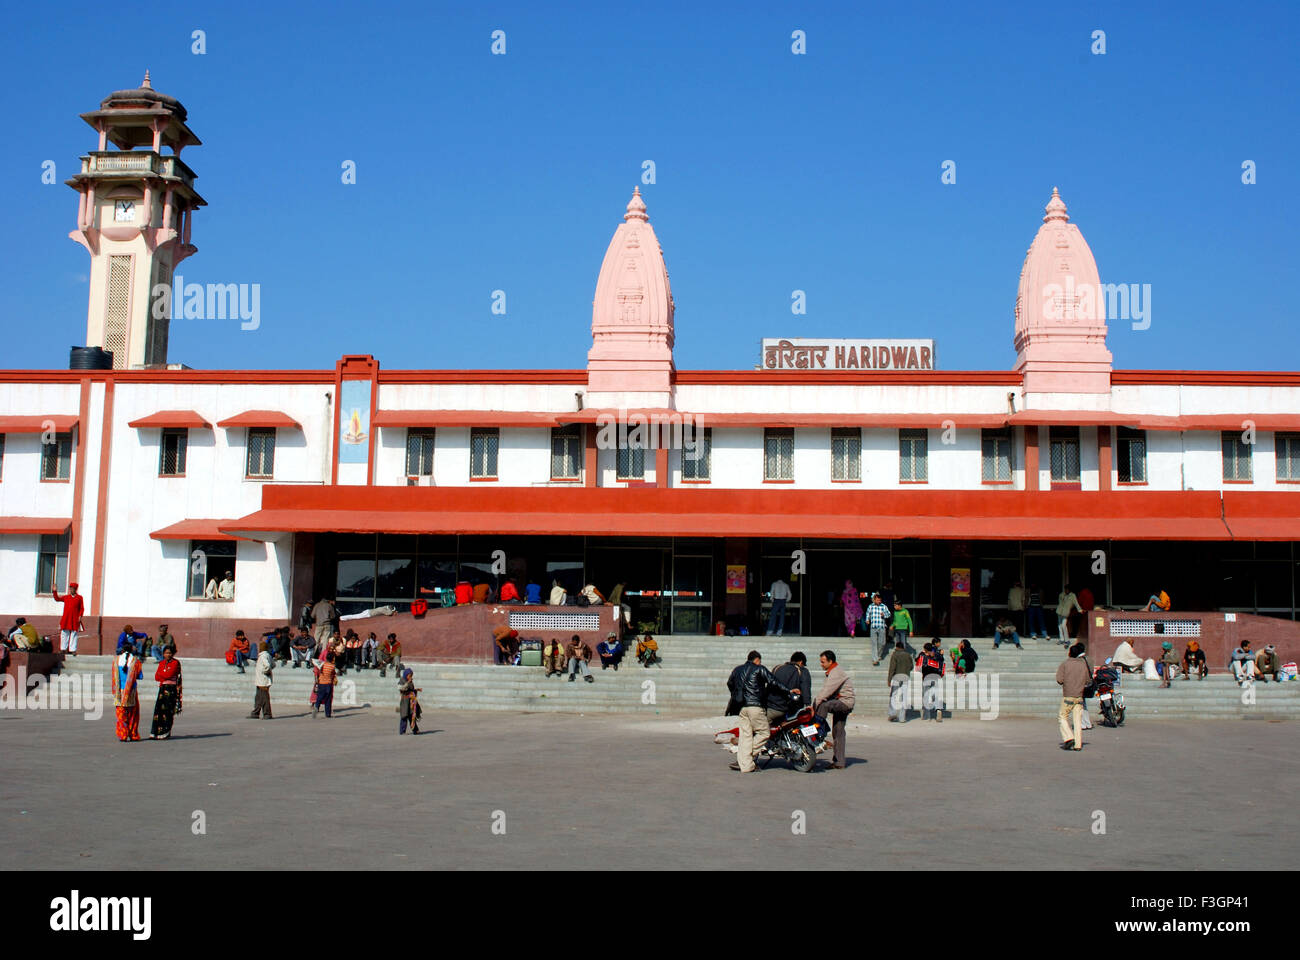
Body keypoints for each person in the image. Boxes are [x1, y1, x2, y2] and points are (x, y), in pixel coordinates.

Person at [726, 651, 797, 773]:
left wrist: (737, 694)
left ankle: (746, 766)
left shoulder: (737, 670)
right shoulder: (759, 669)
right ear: (757, 660)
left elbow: (730, 683)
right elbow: (774, 682)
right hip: (755, 706)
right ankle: (747, 755)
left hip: (742, 708)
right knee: (764, 732)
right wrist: (788, 692)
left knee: (745, 735)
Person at [812, 651, 854, 770]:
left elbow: (826, 691)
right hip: (842, 702)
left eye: (823, 662)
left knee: (823, 704)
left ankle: (817, 731)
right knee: (838, 732)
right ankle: (839, 762)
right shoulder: (834, 672)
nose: (821, 664)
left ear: (830, 662)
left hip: (844, 702)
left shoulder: (836, 673)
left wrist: (814, 707)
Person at [1056, 643, 1091, 751]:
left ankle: (1069, 737)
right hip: (1079, 696)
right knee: (1077, 721)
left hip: (1068, 696)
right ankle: (1078, 744)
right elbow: (1087, 680)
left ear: (1069, 653)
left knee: (1062, 717)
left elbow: (1059, 679)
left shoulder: (1065, 664)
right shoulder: (1083, 664)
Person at [111, 634, 144, 742]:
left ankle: (123, 735)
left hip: (119, 692)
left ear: (122, 650)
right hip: (131, 691)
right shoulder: (136, 661)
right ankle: (133, 734)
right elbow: (140, 676)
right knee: (133, 714)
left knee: (121, 714)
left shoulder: (115, 661)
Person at [148, 645, 182, 740]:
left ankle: (165, 732)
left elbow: (169, 674)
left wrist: (163, 675)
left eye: (170, 653)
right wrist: (164, 676)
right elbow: (156, 677)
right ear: (163, 654)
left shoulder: (176, 663)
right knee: (158, 710)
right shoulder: (162, 663)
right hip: (162, 689)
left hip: (171, 690)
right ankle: (155, 733)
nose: (168, 655)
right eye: (166, 653)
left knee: (167, 711)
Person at [771, 652, 813, 722]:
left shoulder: (777, 668)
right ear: (800, 662)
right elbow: (805, 688)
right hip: (791, 708)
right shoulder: (802, 670)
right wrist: (808, 704)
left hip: (772, 707)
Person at [52, 581, 85, 656]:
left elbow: (82, 608)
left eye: (72, 588)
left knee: (74, 634)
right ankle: (63, 649)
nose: (71, 590)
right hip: (66, 618)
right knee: (64, 633)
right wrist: (54, 591)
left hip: (74, 619)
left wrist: (80, 616)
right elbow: (57, 599)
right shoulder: (66, 597)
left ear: (75, 589)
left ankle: (72, 650)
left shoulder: (79, 598)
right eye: (70, 588)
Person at [918, 641, 945, 721]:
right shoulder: (938, 654)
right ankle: (939, 710)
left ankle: (926, 715)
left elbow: (919, 667)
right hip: (937, 677)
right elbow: (942, 661)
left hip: (927, 677)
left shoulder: (923, 655)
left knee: (926, 695)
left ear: (925, 649)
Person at [886, 639, 912, 723]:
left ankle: (892, 714)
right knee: (904, 697)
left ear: (897, 647)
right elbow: (911, 666)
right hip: (905, 677)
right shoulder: (908, 655)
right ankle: (902, 718)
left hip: (896, 677)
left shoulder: (895, 655)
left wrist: (889, 679)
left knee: (893, 695)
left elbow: (892, 668)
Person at [864, 592, 890, 666]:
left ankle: (878, 655)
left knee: (882, 643)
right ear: (874, 600)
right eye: (878, 600)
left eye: (880, 600)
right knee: (874, 643)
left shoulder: (883, 606)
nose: (879, 601)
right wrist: (867, 620)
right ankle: (875, 659)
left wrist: (884, 614)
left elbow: (889, 614)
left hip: (882, 626)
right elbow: (867, 614)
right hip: (873, 627)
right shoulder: (870, 606)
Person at [249, 644, 274, 719]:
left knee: (264, 698)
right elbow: (273, 664)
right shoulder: (268, 655)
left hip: (263, 680)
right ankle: (255, 713)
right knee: (258, 697)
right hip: (261, 680)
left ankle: (267, 714)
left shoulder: (263, 656)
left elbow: (268, 665)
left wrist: (265, 671)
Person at [314, 652, 338, 718]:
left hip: (321, 684)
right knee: (328, 700)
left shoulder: (322, 664)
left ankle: (316, 710)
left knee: (319, 698)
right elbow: (333, 674)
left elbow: (316, 668)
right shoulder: (332, 666)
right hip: (328, 685)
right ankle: (328, 714)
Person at [398, 668, 422, 734]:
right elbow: (401, 688)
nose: (411, 677)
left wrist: (416, 690)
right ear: (406, 675)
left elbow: (411, 689)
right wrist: (408, 682)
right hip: (405, 701)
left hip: (411, 701)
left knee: (412, 715)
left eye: (411, 675)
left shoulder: (411, 681)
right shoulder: (402, 680)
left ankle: (415, 730)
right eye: (409, 675)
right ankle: (402, 731)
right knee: (404, 715)